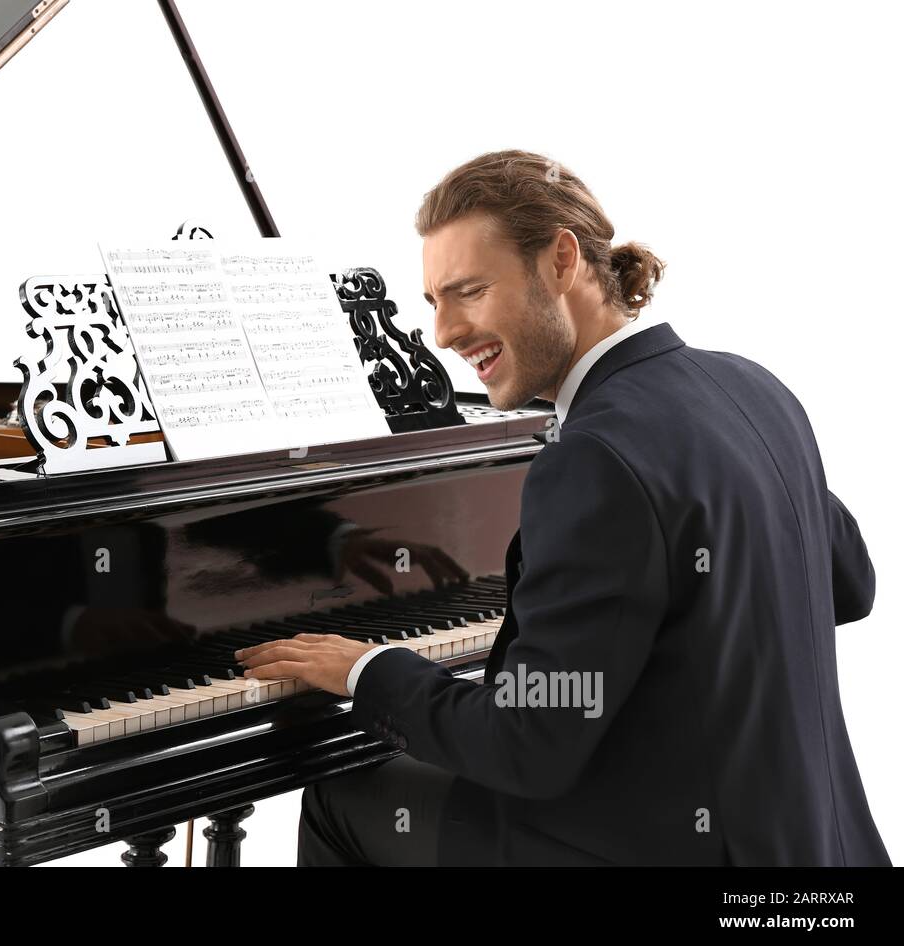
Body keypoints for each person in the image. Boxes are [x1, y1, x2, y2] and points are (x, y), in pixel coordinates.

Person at [236, 150, 890, 865]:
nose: (444, 333)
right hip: (816, 855)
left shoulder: (593, 457)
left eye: (471, 291)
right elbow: (850, 585)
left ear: (561, 260)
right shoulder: (754, 389)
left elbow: (527, 749)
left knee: (341, 798)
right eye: (432, 302)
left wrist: (368, 670)